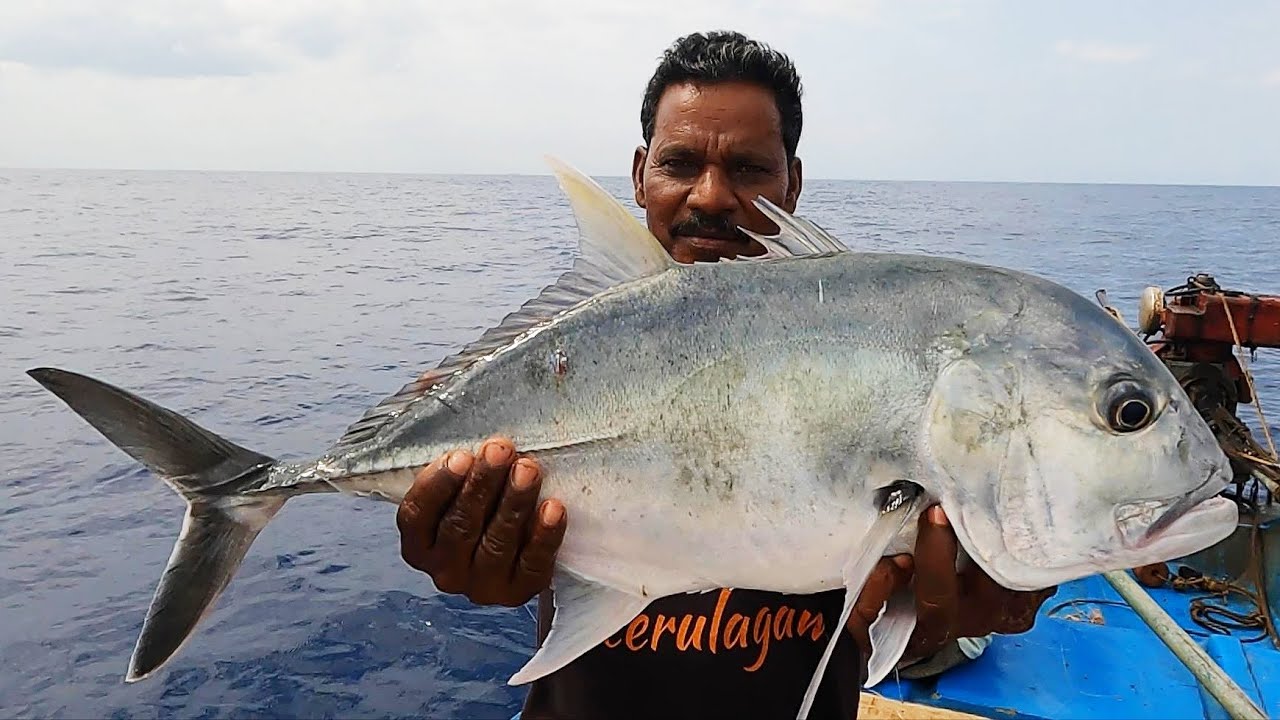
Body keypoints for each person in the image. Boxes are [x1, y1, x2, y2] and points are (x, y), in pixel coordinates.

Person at [395, 30, 1056, 720]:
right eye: (680, 163)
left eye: (748, 168)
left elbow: (900, 610)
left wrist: (933, 616)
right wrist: (466, 541)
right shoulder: (556, 358)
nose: (711, 196)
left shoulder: (871, 354)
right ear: (640, 175)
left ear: (792, 182)